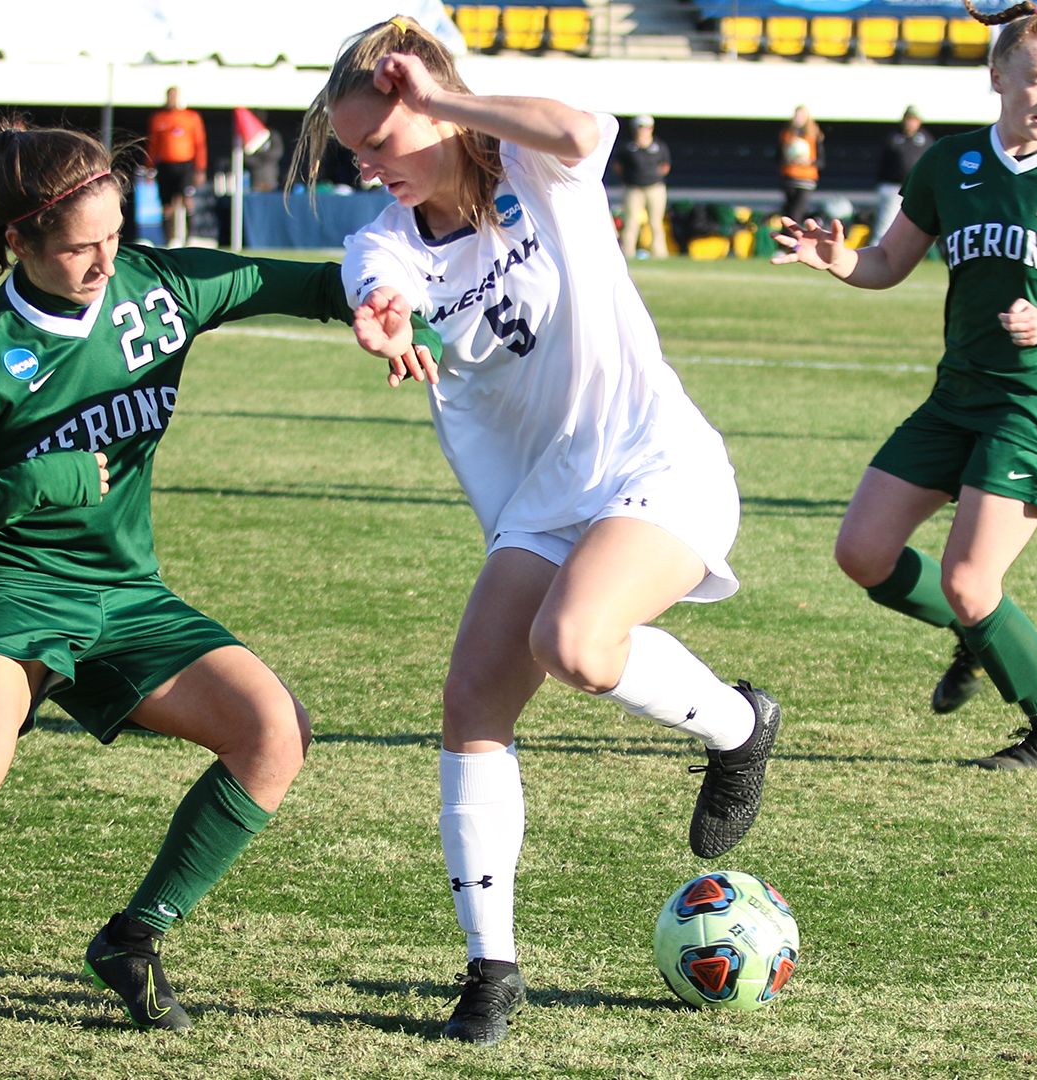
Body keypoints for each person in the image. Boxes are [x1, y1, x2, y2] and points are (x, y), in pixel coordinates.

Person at [0, 123, 434, 1051]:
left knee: (276, 731)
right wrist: (29, 482)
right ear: (19, 245)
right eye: (80, 245)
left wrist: (382, 311)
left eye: (115, 233)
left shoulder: (160, 289)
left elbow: (315, 284)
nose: (104, 259)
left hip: (124, 590)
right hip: (4, 585)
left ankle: (133, 939)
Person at [294, 16, 782, 1047]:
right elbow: (378, 282)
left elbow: (576, 129)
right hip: (546, 498)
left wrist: (445, 99)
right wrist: (380, 314)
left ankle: (738, 728)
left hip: (658, 461)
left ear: (432, 111)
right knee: (473, 695)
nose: (371, 166)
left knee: (572, 645)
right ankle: (491, 970)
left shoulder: (530, 165)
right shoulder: (385, 233)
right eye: (355, 150)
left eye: (382, 140)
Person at [774, 1, 1037, 766]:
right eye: (1034, 80)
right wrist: (836, 259)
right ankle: (978, 631)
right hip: (956, 397)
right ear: (997, 76)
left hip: (1036, 408)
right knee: (862, 554)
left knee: (971, 581)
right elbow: (888, 263)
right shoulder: (948, 164)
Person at [148, 87, 206, 246]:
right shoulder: (158, 118)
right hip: (165, 165)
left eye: (174, 96)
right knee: (166, 205)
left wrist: (200, 168)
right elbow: (153, 144)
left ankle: (190, 237)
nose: (171, 99)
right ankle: (169, 239)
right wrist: (149, 166)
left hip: (185, 164)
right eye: (169, 96)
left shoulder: (190, 117)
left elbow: (199, 144)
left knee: (187, 199)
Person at [614, 115, 670, 259]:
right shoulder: (628, 147)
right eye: (640, 127)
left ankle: (660, 253)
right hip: (633, 189)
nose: (643, 130)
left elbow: (665, 166)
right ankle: (628, 252)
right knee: (632, 221)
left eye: (646, 127)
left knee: (656, 222)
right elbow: (618, 166)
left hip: (654, 188)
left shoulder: (658, 146)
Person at [874, 107, 931, 243]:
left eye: (914, 120)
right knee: (886, 223)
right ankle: (877, 250)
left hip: (915, 188)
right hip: (893, 187)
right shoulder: (894, 137)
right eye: (909, 119)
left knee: (913, 225)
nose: (911, 123)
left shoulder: (924, 139)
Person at [779, 106, 822, 223]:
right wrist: (787, 160)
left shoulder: (814, 135)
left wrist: (808, 162)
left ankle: (793, 238)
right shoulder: (787, 134)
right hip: (790, 178)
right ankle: (786, 239)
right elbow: (778, 158)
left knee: (796, 213)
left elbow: (821, 160)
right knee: (788, 212)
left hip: (806, 180)